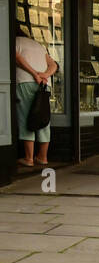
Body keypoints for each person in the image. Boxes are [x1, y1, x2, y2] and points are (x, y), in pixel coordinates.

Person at [14, 30, 58, 167]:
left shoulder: (14, 41)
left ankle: (29, 158)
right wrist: (45, 75)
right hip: (45, 84)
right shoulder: (38, 45)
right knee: (43, 117)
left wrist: (35, 74)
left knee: (26, 117)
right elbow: (54, 65)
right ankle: (43, 157)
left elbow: (17, 58)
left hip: (25, 82)